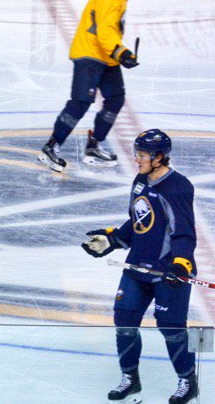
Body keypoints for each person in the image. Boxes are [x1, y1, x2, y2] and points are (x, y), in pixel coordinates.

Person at [81, 129, 198, 404]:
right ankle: (130, 379)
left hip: (168, 271)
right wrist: (114, 239)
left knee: (171, 328)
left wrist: (181, 264)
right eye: (137, 154)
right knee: (124, 321)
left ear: (159, 157)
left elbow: (184, 233)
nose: (137, 159)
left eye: (142, 155)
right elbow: (138, 221)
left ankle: (187, 380)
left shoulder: (178, 187)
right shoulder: (140, 181)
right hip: (137, 266)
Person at [38, 0, 139, 172]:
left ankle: (93, 145)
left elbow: (109, 31)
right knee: (81, 102)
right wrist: (121, 52)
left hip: (106, 56)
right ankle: (51, 146)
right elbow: (104, 31)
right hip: (90, 54)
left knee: (115, 99)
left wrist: (117, 53)